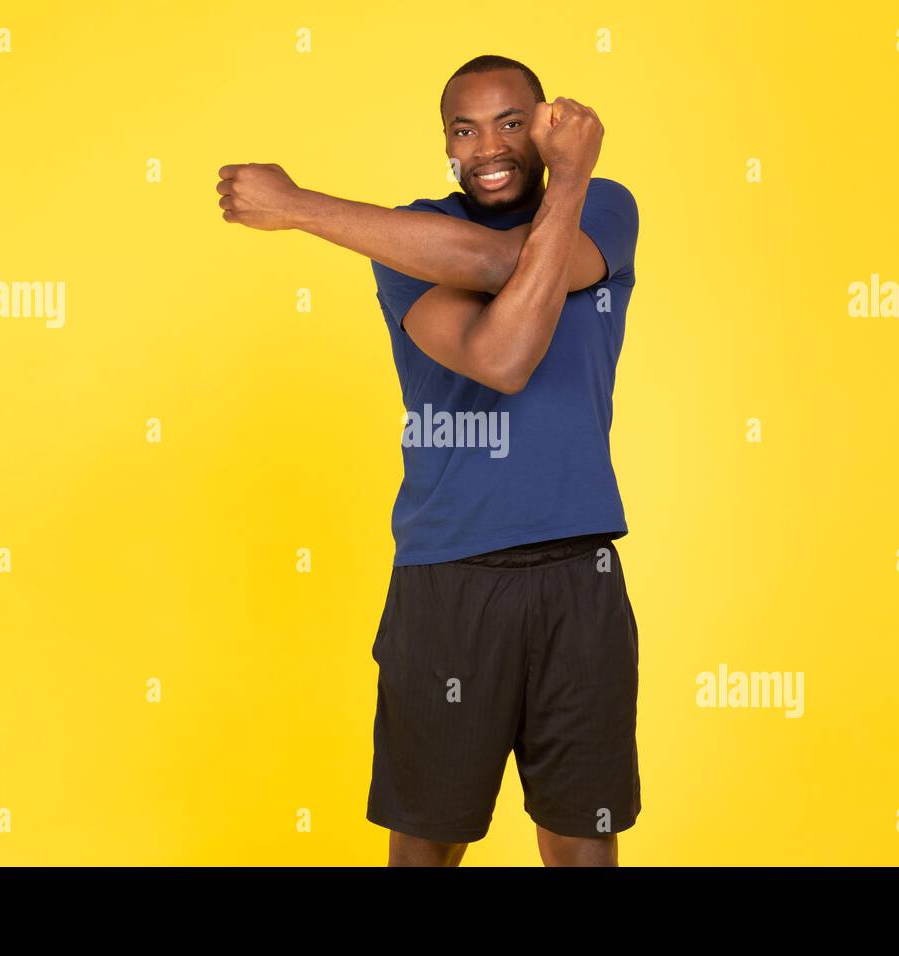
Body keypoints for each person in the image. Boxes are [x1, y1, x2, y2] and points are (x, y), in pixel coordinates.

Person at [216, 54, 640, 866]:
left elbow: (501, 274)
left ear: (546, 125)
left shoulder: (605, 205)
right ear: (445, 143)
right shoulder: (408, 238)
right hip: (449, 576)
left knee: (584, 847)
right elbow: (502, 349)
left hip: (578, 578)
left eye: (512, 124)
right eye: (465, 129)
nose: (488, 147)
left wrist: (298, 207)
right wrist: (559, 194)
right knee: (426, 848)